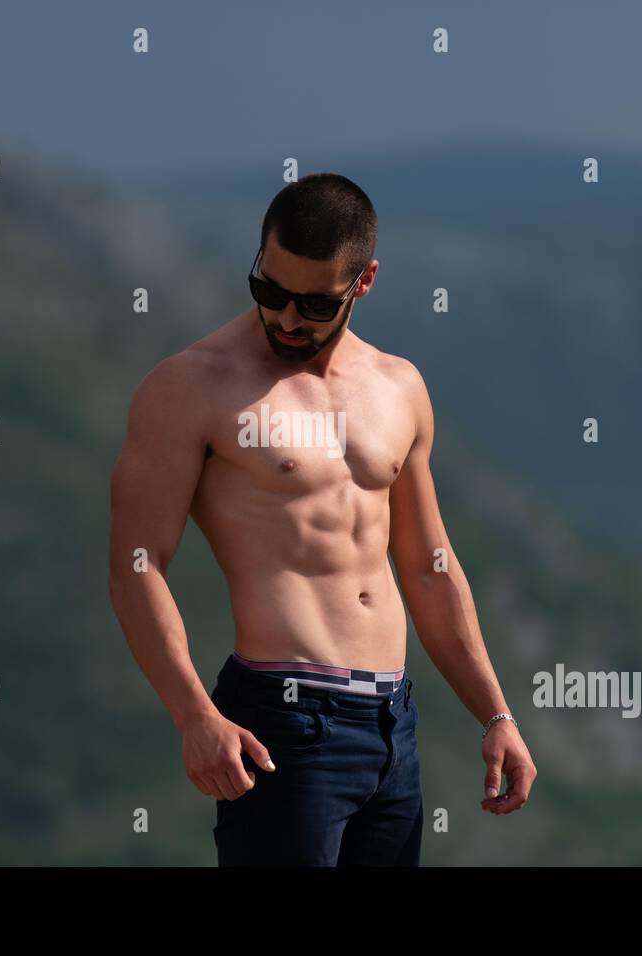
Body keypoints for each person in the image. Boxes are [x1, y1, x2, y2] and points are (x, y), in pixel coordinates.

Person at [108, 172, 536, 866]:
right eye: (268, 290)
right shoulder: (191, 387)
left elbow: (431, 567)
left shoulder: (399, 387)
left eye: (312, 303)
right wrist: (194, 716)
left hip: (393, 726)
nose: (285, 317)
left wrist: (497, 714)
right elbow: (135, 565)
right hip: (281, 724)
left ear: (363, 282)